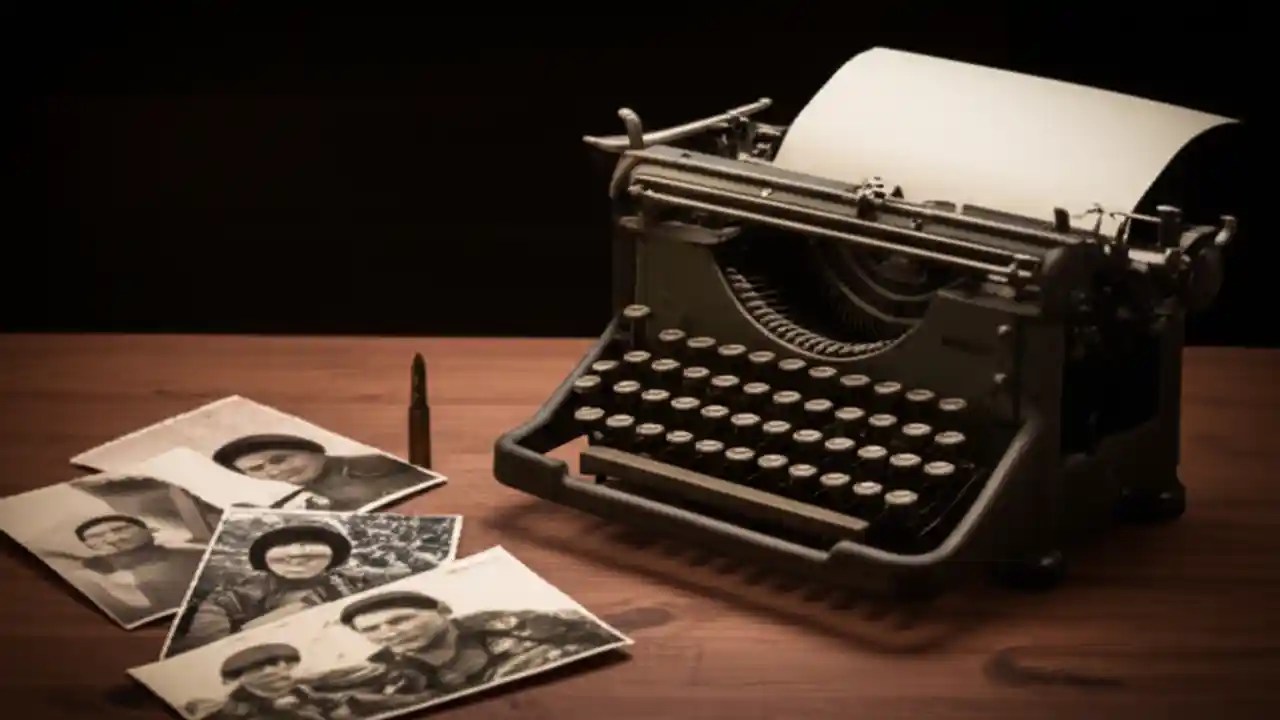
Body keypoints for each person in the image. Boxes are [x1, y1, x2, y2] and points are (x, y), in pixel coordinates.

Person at [325, 590, 622, 714]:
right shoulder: (385, 676)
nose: (388, 633)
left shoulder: (523, 626)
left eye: (401, 619)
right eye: (371, 629)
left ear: (443, 611)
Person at [170, 522, 418, 654]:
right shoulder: (235, 595)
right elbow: (206, 645)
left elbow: (405, 575)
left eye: (309, 545)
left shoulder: (351, 579)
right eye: (284, 547)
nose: (297, 556)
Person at [211, 434, 432, 511]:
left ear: (313, 451)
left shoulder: (378, 467)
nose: (274, 471)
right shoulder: (295, 502)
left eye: (280, 459)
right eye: (256, 469)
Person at [67, 513, 206, 623]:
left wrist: (101, 581)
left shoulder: (189, 558)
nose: (111, 539)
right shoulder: (88, 568)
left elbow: (145, 605)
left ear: (148, 531)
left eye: (121, 529)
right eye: (95, 536)